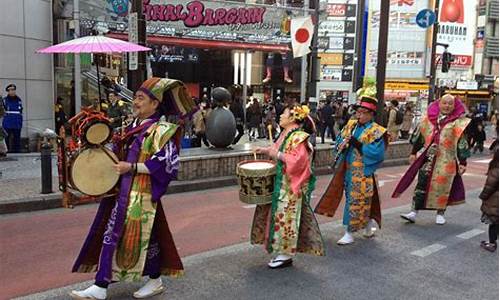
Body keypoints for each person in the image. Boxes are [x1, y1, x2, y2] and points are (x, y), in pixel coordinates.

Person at [70, 78, 197, 300]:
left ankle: (105, 285)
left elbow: (167, 161)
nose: (135, 102)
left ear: (155, 104)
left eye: (141, 98)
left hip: (142, 192)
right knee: (134, 235)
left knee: (131, 235)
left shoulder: (162, 130)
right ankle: (134, 281)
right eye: (136, 98)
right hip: (121, 190)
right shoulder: (130, 126)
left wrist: (132, 167)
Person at [252, 104, 324, 268]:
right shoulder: (287, 133)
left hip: (290, 187)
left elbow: (299, 161)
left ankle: (285, 254)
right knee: (280, 218)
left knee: (287, 219)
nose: (280, 116)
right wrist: (265, 150)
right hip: (283, 184)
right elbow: (277, 150)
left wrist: (276, 154)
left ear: (292, 118)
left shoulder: (298, 137)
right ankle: (282, 252)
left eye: (283, 114)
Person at [315, 96, 387, 245]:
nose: (359, 115)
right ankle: (366, 227)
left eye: (362, 113)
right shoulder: (351, 124)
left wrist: (359, 145)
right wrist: (343, 143)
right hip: (347, 168)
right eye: (358, 112)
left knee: (359, 199)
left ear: (371, 114)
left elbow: (378, 153)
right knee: (354, 198)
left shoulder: (376, 131)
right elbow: (339, 140)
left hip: (363, 171)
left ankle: (350, 231)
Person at [394, 94, 471, 225]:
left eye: (450, 104)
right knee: (421, 183)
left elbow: (461, 143)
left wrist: (463, 162)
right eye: (444, 103)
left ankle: (440, 213)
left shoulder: (457, 123)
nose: (447, 106)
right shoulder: (428, 120)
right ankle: (414, 211)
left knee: (443, 186)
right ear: (439, 104)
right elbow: (420, 137)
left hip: (447, 160)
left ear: (454, 106)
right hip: (428, 158)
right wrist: (413, 153)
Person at [479, 150, 499, 252]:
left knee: (494, 223)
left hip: (496, 201)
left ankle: (492, 243)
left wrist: (483, 196)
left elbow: (489, 186)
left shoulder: (496, 170)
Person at [2, 84, 23, 153]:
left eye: (13, 89)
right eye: (10, 90)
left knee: (17, 137)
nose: (12, 91)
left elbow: (20, 111)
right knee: (6, 137)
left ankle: (17, 151)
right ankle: (6, 151)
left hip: (17, 122)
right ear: (8, 91)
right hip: (8, 122)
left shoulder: (19, 100)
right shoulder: (4, 100)